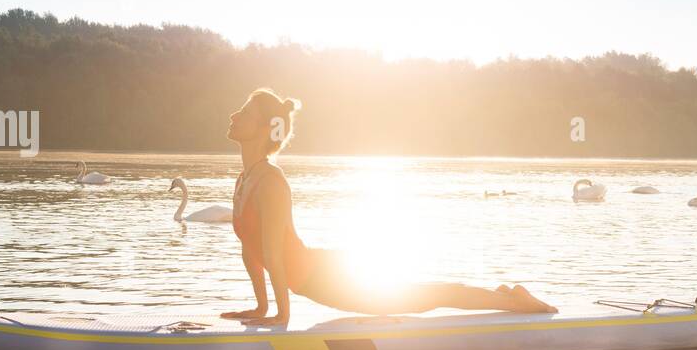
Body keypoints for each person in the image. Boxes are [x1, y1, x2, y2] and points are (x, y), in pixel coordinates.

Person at [221, 88, 557, 327]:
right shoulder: (244, 179)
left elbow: (274, 254)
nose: (234, 114)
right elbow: (251, 250)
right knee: (421, 294)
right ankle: (498, 295)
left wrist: (282, 315)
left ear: (266, 129)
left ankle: (514, 301)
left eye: (245, 113)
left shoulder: (271, 181)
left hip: (329, 278)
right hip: (318, 277)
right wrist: (261, 306)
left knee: (423, 297)